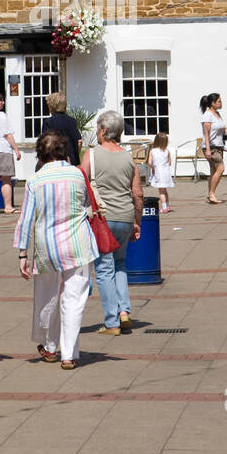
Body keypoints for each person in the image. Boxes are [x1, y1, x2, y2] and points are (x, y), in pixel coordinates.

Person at [14, 130, 97, 369]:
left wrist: (22, 254)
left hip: (47, 247)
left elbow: (26, 220)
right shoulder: (78, 175)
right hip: (78, 245)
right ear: (65, 151)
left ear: (40, 154)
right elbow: (86, 205)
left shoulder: (34, 181)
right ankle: (68, 354)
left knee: (46, 296)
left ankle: (50, 346)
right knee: (74, 299)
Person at [80, 110, 142, 336]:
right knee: (120, 264)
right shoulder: (128, 157)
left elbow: (81, 183)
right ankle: (124, 311)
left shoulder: (92, 155)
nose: (96, 132)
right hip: (125, 216)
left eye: (98, 128)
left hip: (102, 217)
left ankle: (111, 321)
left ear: (104, 130)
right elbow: (138, 194)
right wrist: (137, 222)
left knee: (104, 268)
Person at [200, 94, 227, 205]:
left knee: (214, 171)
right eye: (219, 101)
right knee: (221, 169)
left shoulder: (217, 114)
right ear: (212, 103)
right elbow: (206, 134)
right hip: (211, 147)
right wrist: (208, 150)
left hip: (219, 146)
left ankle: (210, 195)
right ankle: (211, 194)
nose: (221, 103)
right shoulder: (207, 115)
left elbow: (219, 128)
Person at [39, 91, 82, 166]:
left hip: (54, 161)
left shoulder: (48, 122)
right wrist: (73, 156)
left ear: (52, 106)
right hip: (71, 162)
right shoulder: (72, 121)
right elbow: (79, 142)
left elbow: (45, 144)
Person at [147, 132, 174, 214]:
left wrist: (153, 167)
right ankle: (168, 205)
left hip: (158, 173)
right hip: (166, 173)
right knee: (165, 190)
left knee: (161, 192)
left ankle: (164, 207)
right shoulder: (167, 151)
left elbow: (149, 162)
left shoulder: (152, 151)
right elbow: (169, 163)